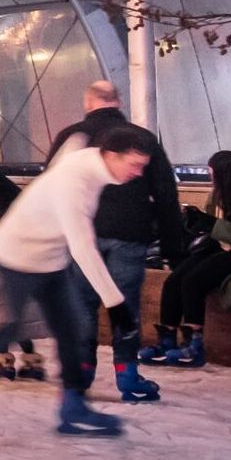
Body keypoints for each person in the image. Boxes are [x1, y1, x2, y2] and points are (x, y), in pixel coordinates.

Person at [0, 126, 157, 434]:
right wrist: (116, 304)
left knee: (71, 330)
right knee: (12, 326)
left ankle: (72, 407)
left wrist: (80, 134)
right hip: (17, 254)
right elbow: (82, 246)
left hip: (49, 258)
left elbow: (72, 146)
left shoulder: (90, 160)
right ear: (112, 156)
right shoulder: (76, 185)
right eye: (135, 164)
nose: (138, 173)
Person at [52, 82, 187, 402]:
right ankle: (127, 375)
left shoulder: (73, 136)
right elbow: (167, 194)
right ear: (117, 101)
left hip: (83, 233)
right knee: (124, 305)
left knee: (82, 305)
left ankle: (81, 372)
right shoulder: (142, 139)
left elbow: (52, 187)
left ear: (89, 102)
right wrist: (173, 248)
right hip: (130, 234)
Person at [150, 151, 231, 367]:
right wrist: (195, 222)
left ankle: (194, 344)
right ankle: (167, 338)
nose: (210, 178)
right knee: (175, 279)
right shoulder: (218, 196)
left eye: (212, 173)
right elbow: (211, 223)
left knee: (194, 280)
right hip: (219, 248)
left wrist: (212, 225)